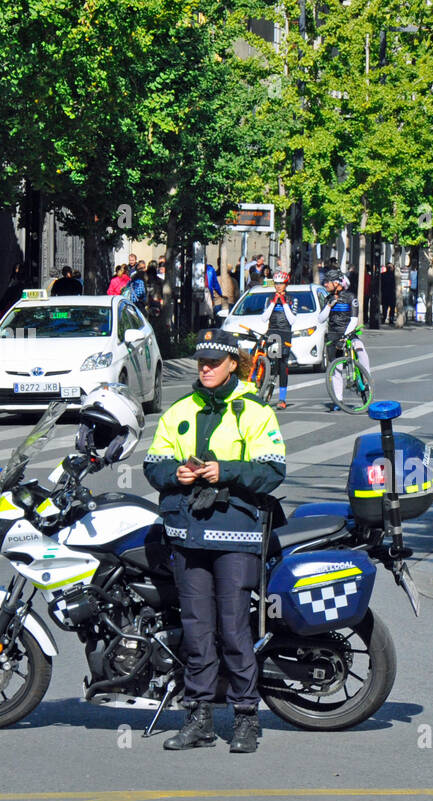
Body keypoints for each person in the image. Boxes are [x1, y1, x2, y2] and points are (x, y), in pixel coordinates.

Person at [142, 328, 287, 754]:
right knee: (197, 631)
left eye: (213, 362)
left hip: (236, 535)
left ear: (231, 365)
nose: (205, 368)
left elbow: (272, 471)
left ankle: (246, 720)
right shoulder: (180, 410)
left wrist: (225, 471)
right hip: (187, 534)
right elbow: (154, 464)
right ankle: (198, 718)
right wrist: (177, 474)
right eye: (201, 362)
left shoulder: (255, 411)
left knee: (234, 629)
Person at [317, 267, 369, 411]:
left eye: (327, 282)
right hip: (333, 335)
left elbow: (353, 320)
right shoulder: (328, 298)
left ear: (336, 283)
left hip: (349, 333)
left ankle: (366, 379)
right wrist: (329, 305)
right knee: (336, 369)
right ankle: (338, 400)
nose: (325, 285)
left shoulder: (351, 297)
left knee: (361, 351)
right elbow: (320, 319)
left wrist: (346, 336)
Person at [260, 272, 297, 408]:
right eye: (276, 284)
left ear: (286, 284)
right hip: (272, 331)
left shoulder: (292, 298)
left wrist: (284, 303)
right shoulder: (269, 298)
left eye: (281, 284)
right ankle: (265, 390)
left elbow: (292, 319)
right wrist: (274, 302)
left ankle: (282, 398)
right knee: (269, 362)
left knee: (282, 365)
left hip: (285, 333)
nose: (278, 286)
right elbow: (264, 318)